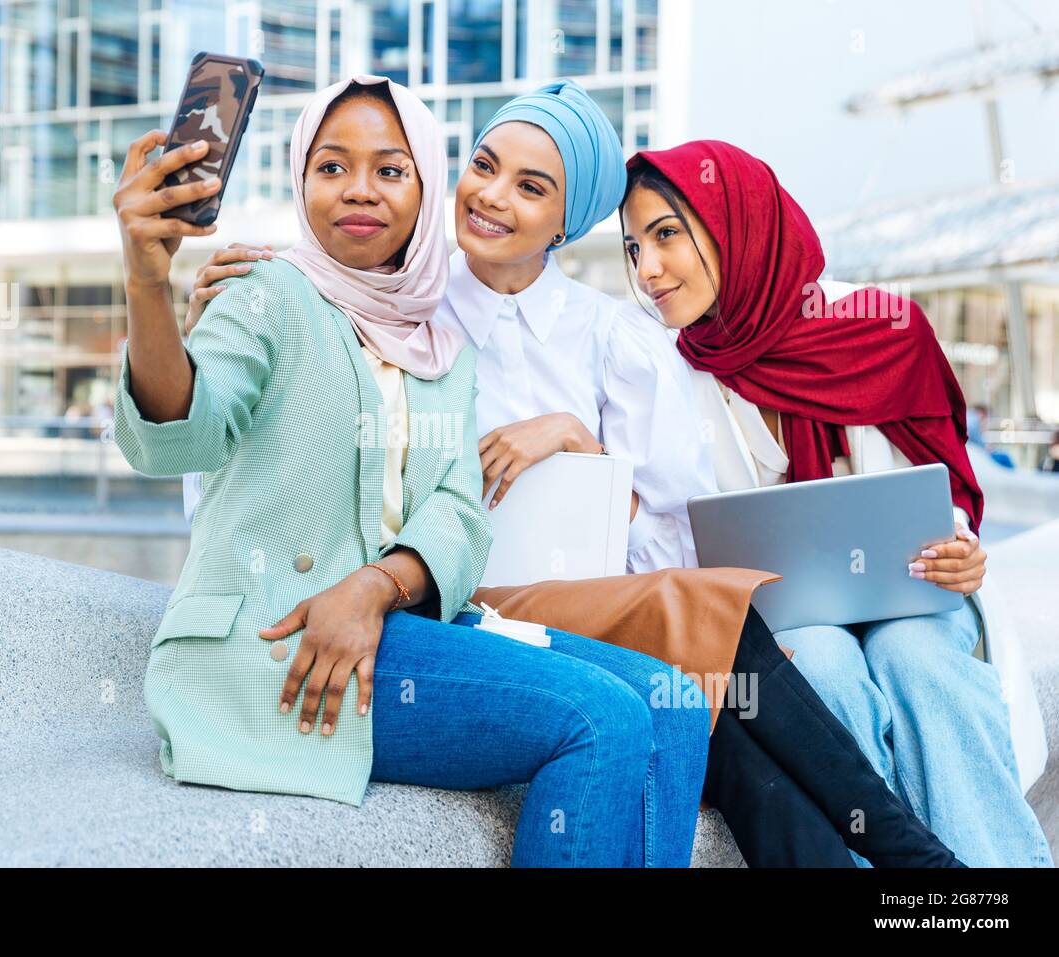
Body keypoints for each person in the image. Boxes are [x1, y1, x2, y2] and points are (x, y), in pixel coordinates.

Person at [184, 82, 964, 867]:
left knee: (726, 742)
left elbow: (663, 529)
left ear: (567, 221)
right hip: (462, 601)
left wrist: (578, 448)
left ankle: (909, 859)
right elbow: (236, 462)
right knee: (698, 658)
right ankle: (916, 856)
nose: (492, 196)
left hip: (594, 604)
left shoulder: (614, 335)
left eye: (531, 187)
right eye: (484, 165)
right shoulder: (407, 306)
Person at [112, 73, 711, 867]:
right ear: (300, 179)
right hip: (277, 644)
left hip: (394, 623)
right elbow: (180, 440)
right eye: (331, 166)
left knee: (677, 707)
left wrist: (375, 585)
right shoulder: (263, 290)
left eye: (390, 170)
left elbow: (458, 510)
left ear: (424, 187)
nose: (359, 189)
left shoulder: (436, 343)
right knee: (602, 718)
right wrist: (147, 282)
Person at [620, 138, 1052, 868]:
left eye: (666, 235)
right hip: (786, 619)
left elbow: (946, 485)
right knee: (820, 672)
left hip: (912, 591)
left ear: (737, 225)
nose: (647, 270)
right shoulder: (669, 370)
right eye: (633, 248)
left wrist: (958, 546)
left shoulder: (881, 327)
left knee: (921, 663)